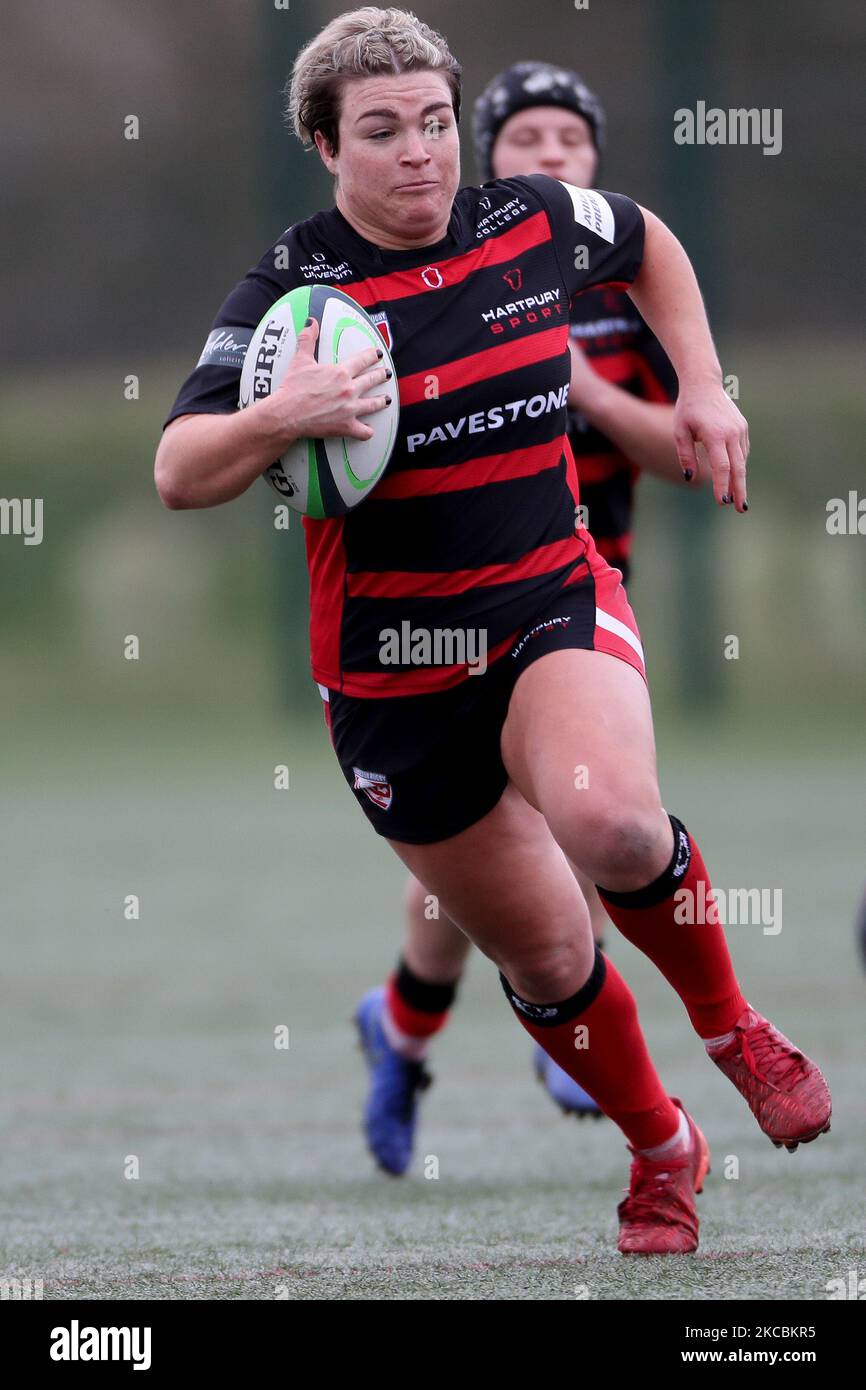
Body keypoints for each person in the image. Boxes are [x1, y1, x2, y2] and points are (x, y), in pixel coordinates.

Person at [154, 7, 831, 1256]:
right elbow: (180, 469)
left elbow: (648, 242)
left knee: (615, 824)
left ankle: (735, 1028)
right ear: (322, 143)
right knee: (548, 952)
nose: (417, 153)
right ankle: (659, 1149)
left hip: (546, 606)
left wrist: (701, 383)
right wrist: (281, 413)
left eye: (429, 123)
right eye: (378, 131)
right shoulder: (292, 292)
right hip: (390, 678)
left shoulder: (524, 220)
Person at [355, 62, 697, 1171]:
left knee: (578, 821)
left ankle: (422, 1029)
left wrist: (583, 389)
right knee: (462, 878)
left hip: (573, 599)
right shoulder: (426, 288)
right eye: (527, 140)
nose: (551, 158)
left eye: (570, 140)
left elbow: (680, 452)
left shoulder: (616, 302)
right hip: (444, 615)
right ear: (484, 162)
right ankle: (407, 1031)